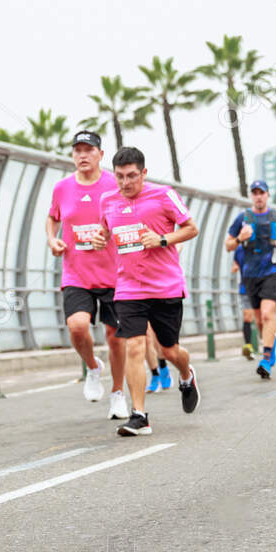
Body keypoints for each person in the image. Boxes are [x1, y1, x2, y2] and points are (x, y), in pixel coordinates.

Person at [95, 147, 200, 435]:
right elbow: (106, 232)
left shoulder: (163, 195)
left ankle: (186, 374)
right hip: (128, 287)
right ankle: (139, 415)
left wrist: (163, 239)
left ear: (143, 173)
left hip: (165, 285)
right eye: (119, 177)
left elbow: (191, 229)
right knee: (135, 346)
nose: (125, 183)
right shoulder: (107, 200)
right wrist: (98, 239)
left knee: (168, 349)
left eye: (131, 176)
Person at [47, 130, 129, 419]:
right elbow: (53, 217)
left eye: (88, 150)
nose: (82, 155)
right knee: (78, 327)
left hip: (114, 274)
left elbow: (129, 218)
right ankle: (93, 367)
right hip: (76, 273)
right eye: (77, 150)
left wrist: (109, 237)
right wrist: (52, 239)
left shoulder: (113, 185)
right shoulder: (62, 188)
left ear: (100, 155)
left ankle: (118, 393)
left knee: (116, 337)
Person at [225, 180, 276, 379]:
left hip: (271, 271)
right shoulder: (243, 218)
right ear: (251, 196)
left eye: (261, 192)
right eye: (254, 193)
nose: (258, 196)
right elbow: (228, 245)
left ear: (267, 195)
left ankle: (265, 358)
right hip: (249, 274)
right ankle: (271, 345)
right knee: (259, 320)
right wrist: (239, 238)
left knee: (266, 314)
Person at [234, 248, 257, 360]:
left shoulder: (264, 245)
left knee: (262, 317)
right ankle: (248, 345)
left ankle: (269, 347)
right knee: (247, 317)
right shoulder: (239, 250)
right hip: (245, 288)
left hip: (261, 287)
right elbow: (234, 266)